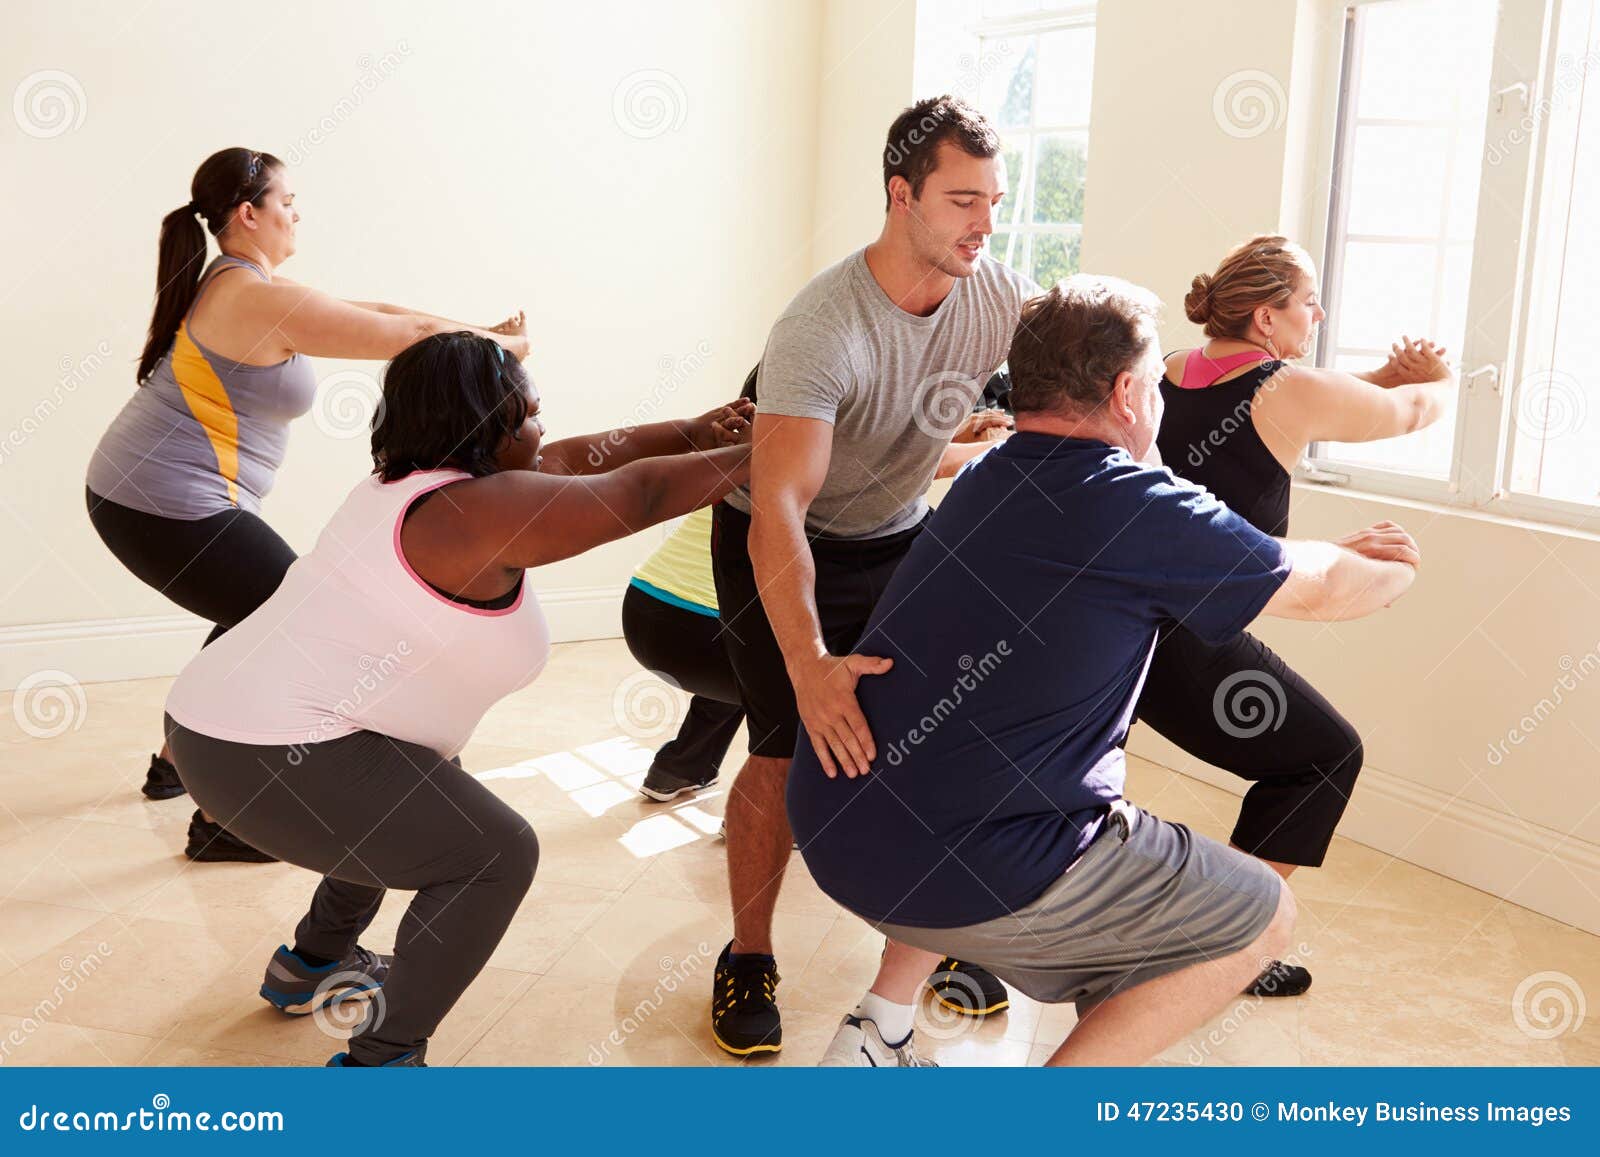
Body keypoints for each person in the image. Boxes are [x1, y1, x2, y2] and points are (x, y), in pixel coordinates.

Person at [788, 276, 1422, 1066]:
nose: (1157, 399)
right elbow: (1325, 589)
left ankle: (874, 1034)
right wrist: (1390, 567)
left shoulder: (986, 474)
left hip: (837, 827)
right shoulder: (1130, 501)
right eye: (1154, 383)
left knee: (1022, 785)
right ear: (1126, 392)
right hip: (959, 867)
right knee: (1264, 916)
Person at [162, 331, 751, 1067]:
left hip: (209, 725)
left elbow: (579, 456)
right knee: (494, 852)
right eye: (530, 413)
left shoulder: (403, 485)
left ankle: (311, 963)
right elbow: (640, 490)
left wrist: (696, 430)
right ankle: (385, 1060)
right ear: (488, 425)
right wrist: (780, 447)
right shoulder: (481, 512)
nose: (543, 429)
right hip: (262, 756)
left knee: (419, 780)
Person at [707, 94, 1038, 1057]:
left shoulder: (999, 295)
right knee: (782, 749)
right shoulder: (821, 325)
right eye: (963, 199)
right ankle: (748, 953)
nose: (986, 222)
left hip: (898, 534)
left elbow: (1082, 378)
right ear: (902, 195)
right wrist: (809, 660)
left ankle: (936, 935)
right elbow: (778, 507)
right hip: (781, 538)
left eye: (997, 200)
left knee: (944, 738)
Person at [86, 147, 528, 863]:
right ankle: (221, 820)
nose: (297, 212)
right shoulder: (252, 297)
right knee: (283, 616)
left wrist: (483, 330)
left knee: (257, 609)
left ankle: (177, 757)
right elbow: (403, 338)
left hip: (150, 495)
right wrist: (503, 347)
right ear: (248, 213)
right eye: (287, 199)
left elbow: (384, 311)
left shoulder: (246, 285)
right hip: (157, 500)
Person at [1135, 233, 1455, 996]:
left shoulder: (1170, 370)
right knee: (1325, 756)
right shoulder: (1286, 387)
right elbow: (1401, 412)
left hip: (1119, 625)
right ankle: (1221, 942)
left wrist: (1376, 379)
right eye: (1306, 301)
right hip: (1187, 639)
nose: (1316, 312)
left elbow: (1282, 415)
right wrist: (1439, 379)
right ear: (1266, 317)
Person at [625, 366, 1009, 803]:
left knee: (765, 650)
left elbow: (883, 452)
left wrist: (964, 430)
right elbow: (904, 465)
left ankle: (678, 767)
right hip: (705, 628)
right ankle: (772, 808)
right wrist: (997, 447)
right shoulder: (809, 473)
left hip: (649, 615)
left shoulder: (749, 451)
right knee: (812, 677)